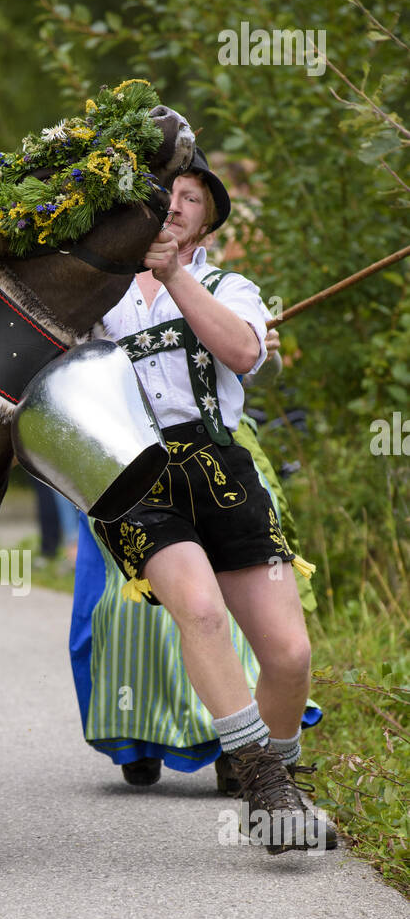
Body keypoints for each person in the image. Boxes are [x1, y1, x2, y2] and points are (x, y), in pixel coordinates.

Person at [77, 148, 334, 852]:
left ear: (206, 221)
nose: (175, 202)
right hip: (135, 477)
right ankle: (265, 786)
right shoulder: (98, 293)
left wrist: (175, 278)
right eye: (164, 192)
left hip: (222, 469)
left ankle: (272, 781)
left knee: (286, 653)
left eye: (190, 196)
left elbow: (245, 354)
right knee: (198, 611)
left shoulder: (229, 285)